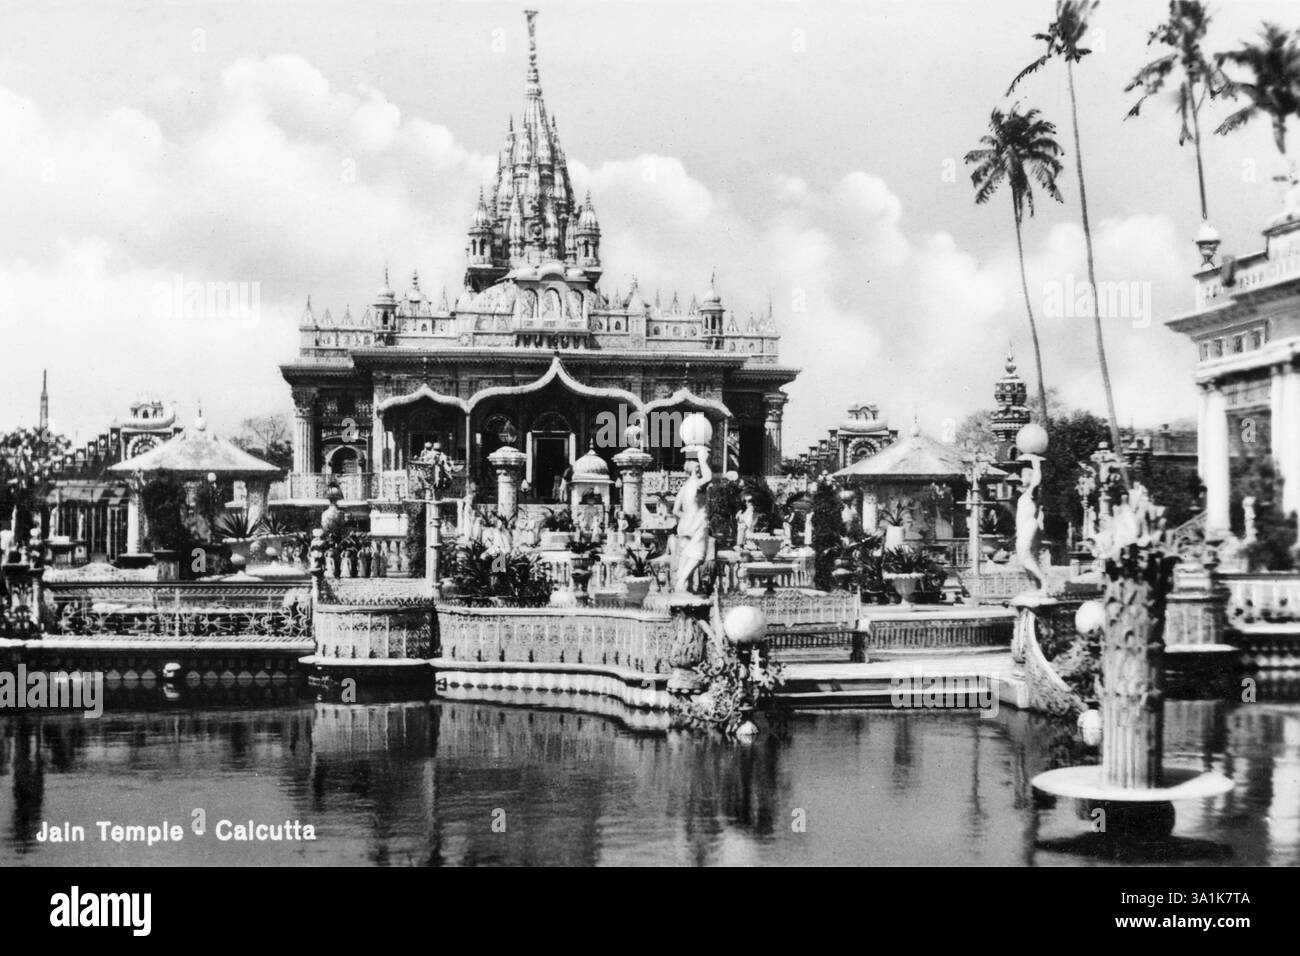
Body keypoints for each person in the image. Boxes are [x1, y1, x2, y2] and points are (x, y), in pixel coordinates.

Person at [672, 448, 713, 593]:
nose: (701, 470)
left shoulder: (683, 488)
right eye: (699, 468)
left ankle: (684, 587)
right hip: (697, 525)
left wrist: (688, 517)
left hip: (685, 525)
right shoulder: (698, 484)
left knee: (686, 556)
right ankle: (681, 582)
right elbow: (708, 477)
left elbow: (675, 511)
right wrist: (703, 459)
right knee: (698, 555)